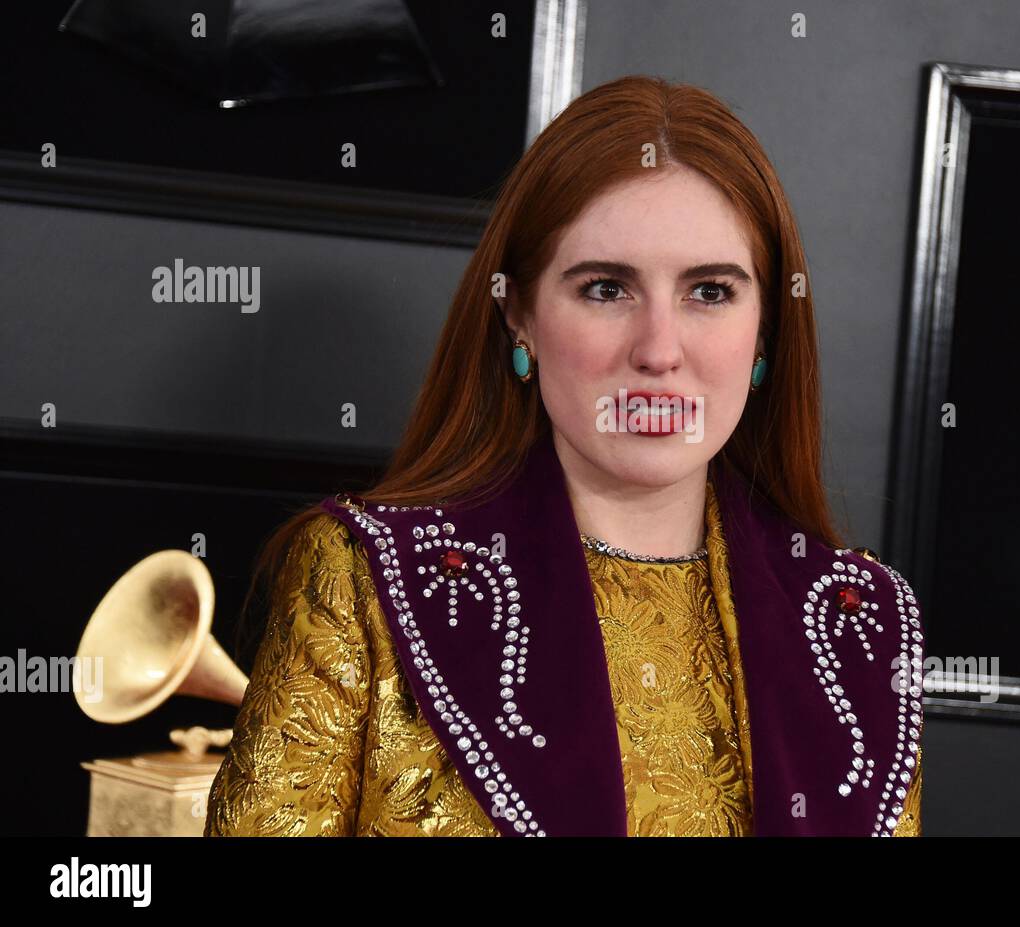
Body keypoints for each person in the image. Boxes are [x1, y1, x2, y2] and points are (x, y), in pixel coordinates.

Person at [205, 74, 924, 837]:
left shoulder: (858, 619)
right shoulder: (360, 581)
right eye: (607, 288)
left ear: (767, 329)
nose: (658, 350)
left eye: (710, 292)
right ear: (519, 315)